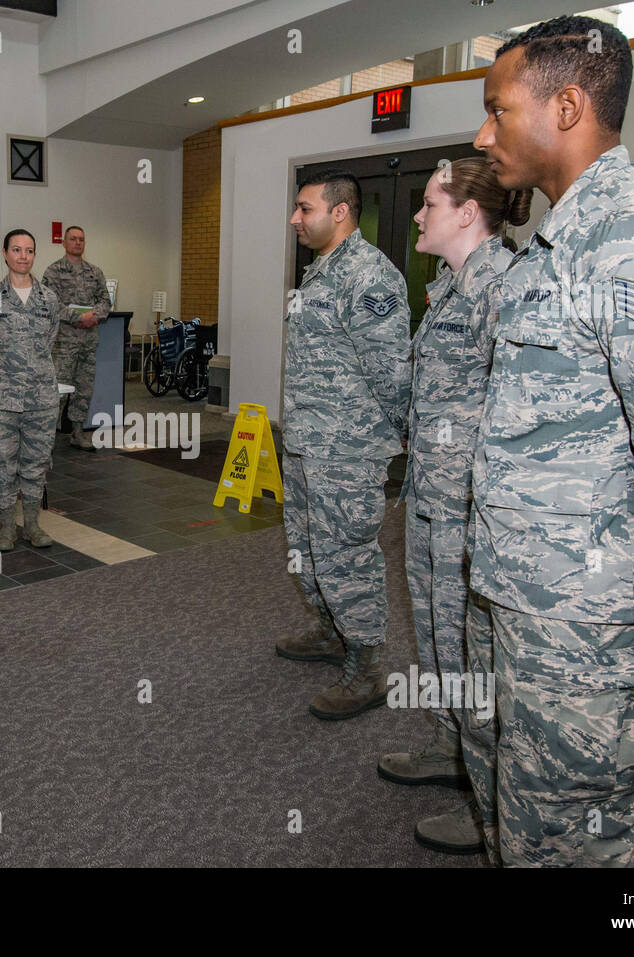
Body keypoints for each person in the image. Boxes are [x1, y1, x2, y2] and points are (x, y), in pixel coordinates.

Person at [468, 16, 634, 866]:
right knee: (533, 812)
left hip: (590, 617)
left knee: (572, 830)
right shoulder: (561, 236)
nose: (483, 136)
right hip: (535, 593)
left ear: (567, 107)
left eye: (497, 110)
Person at [375, 159, 532, 856]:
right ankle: (452, 749)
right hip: (432, 500)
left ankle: (490, 805)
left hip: (472, 512)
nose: (417, 216)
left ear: (468, 212)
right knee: (439, 638)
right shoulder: (449, 288)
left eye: (429, 204)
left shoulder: (503, 289)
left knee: (475, 653)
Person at [276, 169, 411, 720]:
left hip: (347, 451)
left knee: (347, 557)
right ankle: (332, 632)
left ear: (340, 212)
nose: (294, 218)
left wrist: (403, 436)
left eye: (304, 208)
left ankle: (368, 668)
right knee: (308, 549)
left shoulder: (369, 275)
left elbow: (392, 373)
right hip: (308, 441)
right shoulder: (320, 271)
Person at [0, 228, 63, 550]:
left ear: (34, 255)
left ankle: (33, 526)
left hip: (40, 397)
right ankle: (7, 527)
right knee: (1, 463)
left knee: (36, 463)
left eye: (29, 250)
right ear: (5, 254)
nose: (23, 256)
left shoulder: (49, 299)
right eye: (16, 249)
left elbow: (49, 341)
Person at [43, 226, 110, 450]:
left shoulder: (94, 272)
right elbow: (50, 303)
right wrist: (78, 318)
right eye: (73, 239)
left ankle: (78, 433)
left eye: (81, 239)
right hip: (64, 343)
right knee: (59, 391)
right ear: (64, 243)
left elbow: (105, 300)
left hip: (88, 342)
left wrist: (94, 317)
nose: (78, 242)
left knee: (84, 389)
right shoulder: (54, 271)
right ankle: (46, 438)